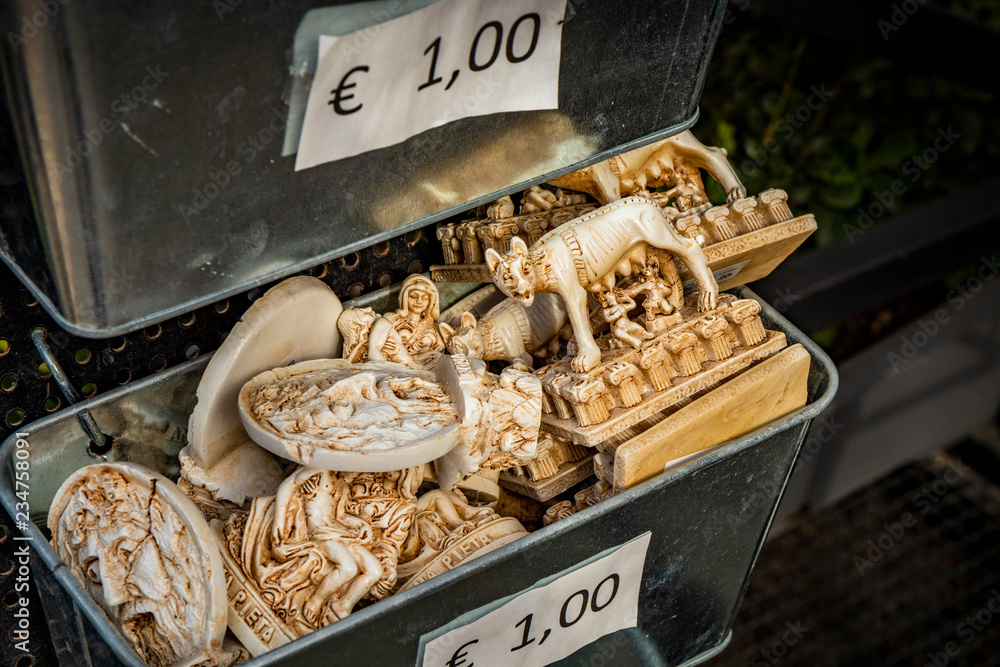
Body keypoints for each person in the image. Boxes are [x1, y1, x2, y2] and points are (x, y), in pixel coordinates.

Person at [367, 274, 445, 367]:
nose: (419, 301)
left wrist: (418, 357)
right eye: (413, 296)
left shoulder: (432, 328)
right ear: (405, 297)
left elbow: (439, 353)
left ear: (430, 302)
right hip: (391, 365)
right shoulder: (391, 319)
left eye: (424, 297)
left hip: (421, 368)